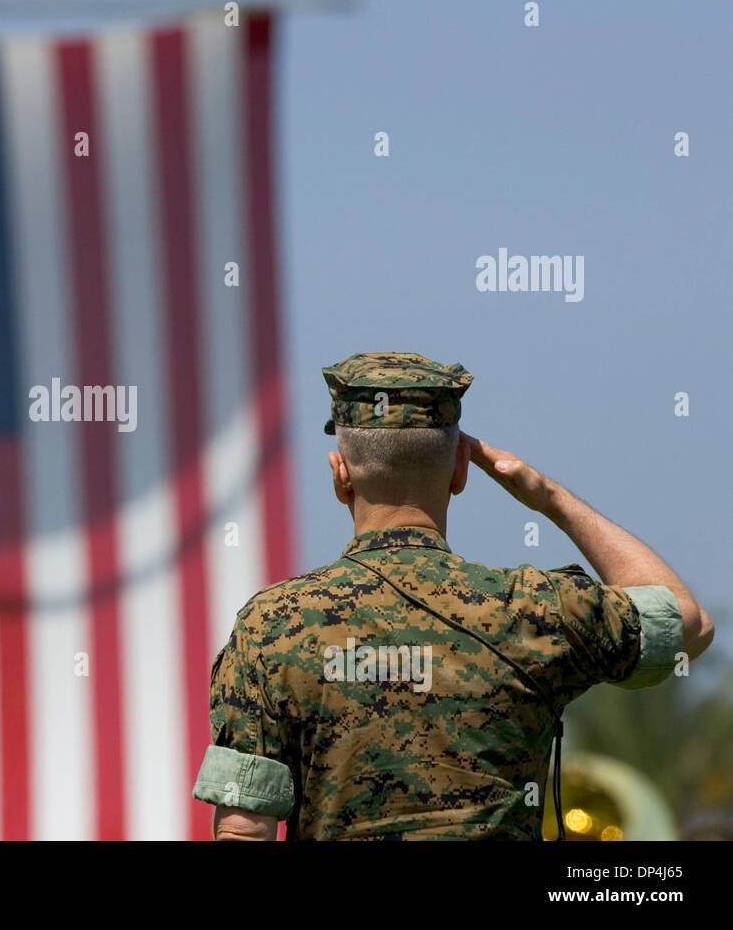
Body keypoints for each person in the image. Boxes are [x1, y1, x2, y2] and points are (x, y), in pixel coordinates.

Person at [192, 352, 714, 840]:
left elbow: (245, 829)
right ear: (462, 471)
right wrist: (550, 499)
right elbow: (688, 624)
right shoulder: (536, 609)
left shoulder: (271, 626)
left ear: (341, 475)